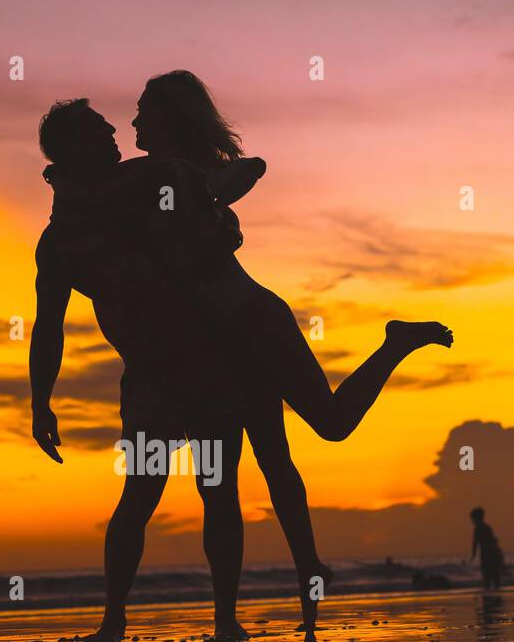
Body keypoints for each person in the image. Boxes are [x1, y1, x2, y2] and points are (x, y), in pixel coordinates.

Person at [30, 101, 330, 642]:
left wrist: (225, 187)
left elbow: (202, 201)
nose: (115, 130)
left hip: (213, 364)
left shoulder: (147, 186)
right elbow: (48, 325)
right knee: (140, 497)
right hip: (151, 381)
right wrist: (40, 401)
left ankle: (224, 618)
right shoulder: (62, 239)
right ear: (72, 149)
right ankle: (113, 621)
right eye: (99, 129)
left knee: (217, 491)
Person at [47, 69, 454, 444]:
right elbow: (94, 194)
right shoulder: (140, 178)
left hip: (248, 313)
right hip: (214, 329)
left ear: (169, 118)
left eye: (142, 113)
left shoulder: (168, 174)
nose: (130, 124)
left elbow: (234, 175)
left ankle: (396, 343)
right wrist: (59, 177)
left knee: (331, 425)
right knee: (243, 466)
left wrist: (221, 186)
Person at [470, 507, 504, 589]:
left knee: (488, 577)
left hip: (488, 555)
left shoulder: (478, 529)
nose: (472, 521)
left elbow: (475, 543)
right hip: (492, 554)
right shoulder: (487, 527)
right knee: (494, 577)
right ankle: (495, 596)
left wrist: (473, 555)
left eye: (473, 518)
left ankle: (490, 596)